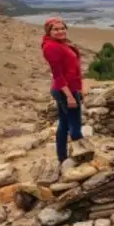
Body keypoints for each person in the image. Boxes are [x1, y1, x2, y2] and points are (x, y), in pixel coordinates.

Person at [41, 17, 92, 163]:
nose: (60, 31)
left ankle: (62, 157)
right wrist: (69, 96)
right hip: (64, 90)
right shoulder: (51, 47)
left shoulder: (61, 44)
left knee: (64, 123)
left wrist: (79, 88)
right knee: (75, 126)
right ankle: (82, 157)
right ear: (48, 32)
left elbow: (72, 70)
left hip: (69, 88)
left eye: (62, 28)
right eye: (56, 29)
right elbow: (58, 75)